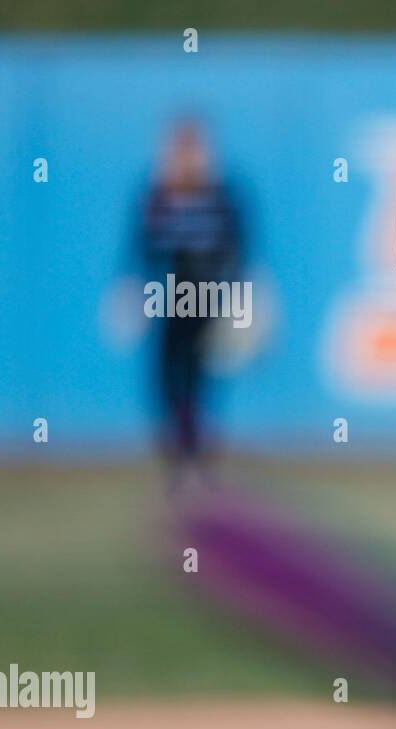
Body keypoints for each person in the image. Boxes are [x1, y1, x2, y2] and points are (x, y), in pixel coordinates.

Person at [136, 117, 243, 487]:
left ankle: (195, 459)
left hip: (205, 299)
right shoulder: (158, 194)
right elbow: (143, 246)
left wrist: (235, 294)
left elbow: (237, 245)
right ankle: (178, 458)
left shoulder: (219, 194)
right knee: (166, 381)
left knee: (198, 380)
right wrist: (133, 292)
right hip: (167, 299)